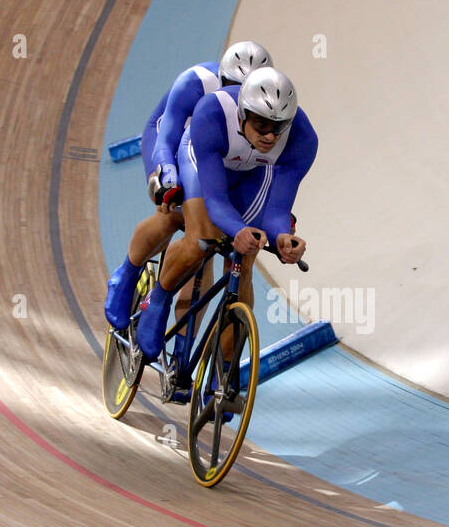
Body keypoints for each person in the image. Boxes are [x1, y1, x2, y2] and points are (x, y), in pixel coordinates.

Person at [134, 66, 317, 365]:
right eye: (261, 125)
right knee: (201, 239)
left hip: (251, 174)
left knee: (243, 262)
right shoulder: (212, 112)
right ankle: (158, 300)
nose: (270, 136)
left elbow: (277, 209)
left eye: (278, 126)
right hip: (203, 164)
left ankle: (223, 377)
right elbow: (216, 201)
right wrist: (237, 229)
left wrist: (283, 235)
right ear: (243, 114)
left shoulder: (303, 139)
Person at [104, 41, 273, 330]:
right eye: (231, 87)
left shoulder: (266, 114)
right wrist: (167, 177)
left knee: (210, 248)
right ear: (221, 78)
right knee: (176, 215)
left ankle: (182, 349)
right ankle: (126, 276)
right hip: (172, 143)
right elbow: (165, 136)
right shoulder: (195, 83)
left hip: (219, 159)